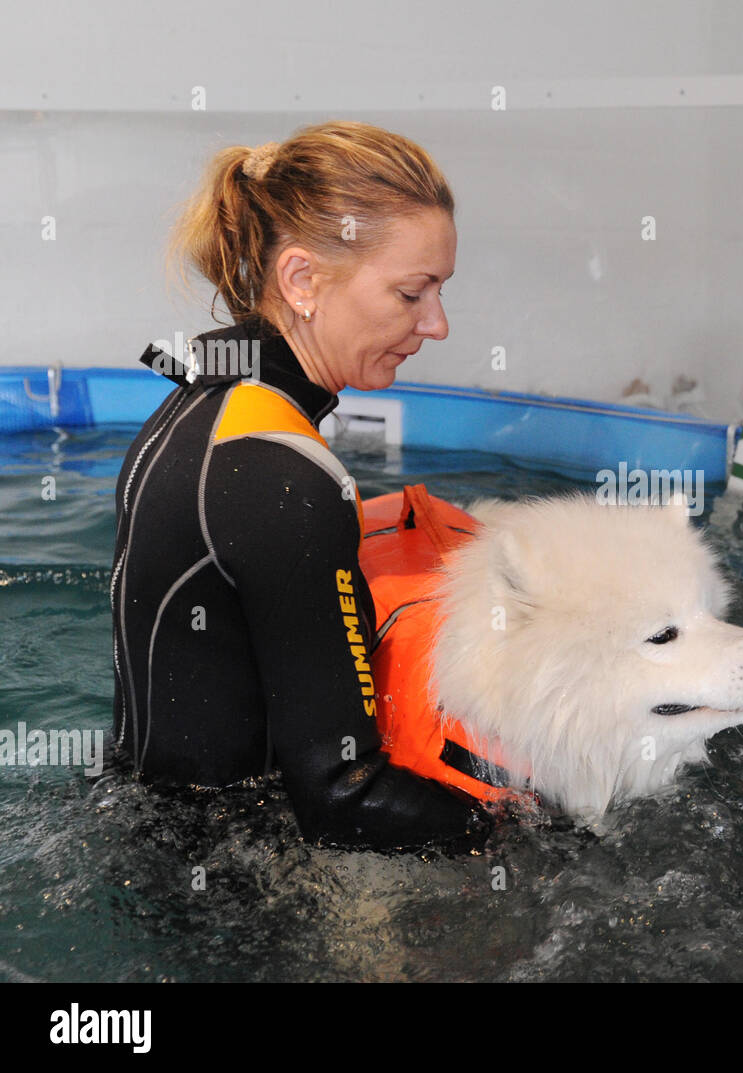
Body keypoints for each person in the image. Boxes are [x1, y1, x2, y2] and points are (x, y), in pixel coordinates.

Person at [111, 121, 474, 848]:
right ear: (302, 280)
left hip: (144, 833)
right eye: (412, 292)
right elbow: (344, 797)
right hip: (233, 896)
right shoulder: (280, 474)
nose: (437, 324)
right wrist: (538, 832)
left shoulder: (205, 404)